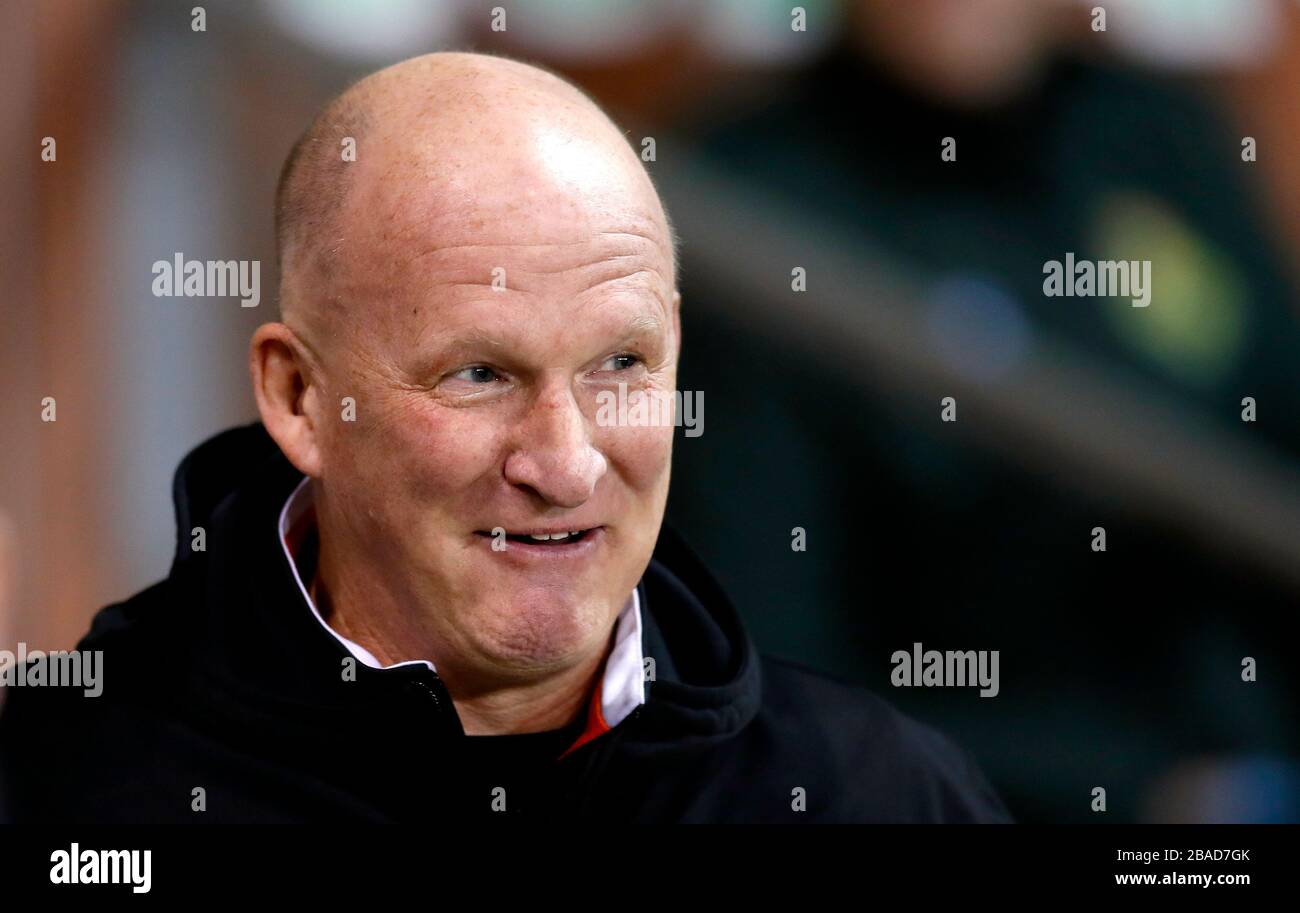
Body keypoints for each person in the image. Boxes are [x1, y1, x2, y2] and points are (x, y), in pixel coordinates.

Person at [0, 52, 1009, 823]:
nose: (565, 463)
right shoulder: (60, 785)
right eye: (478, 375)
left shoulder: (876, 795)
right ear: (300, 397)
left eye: (619, 365)